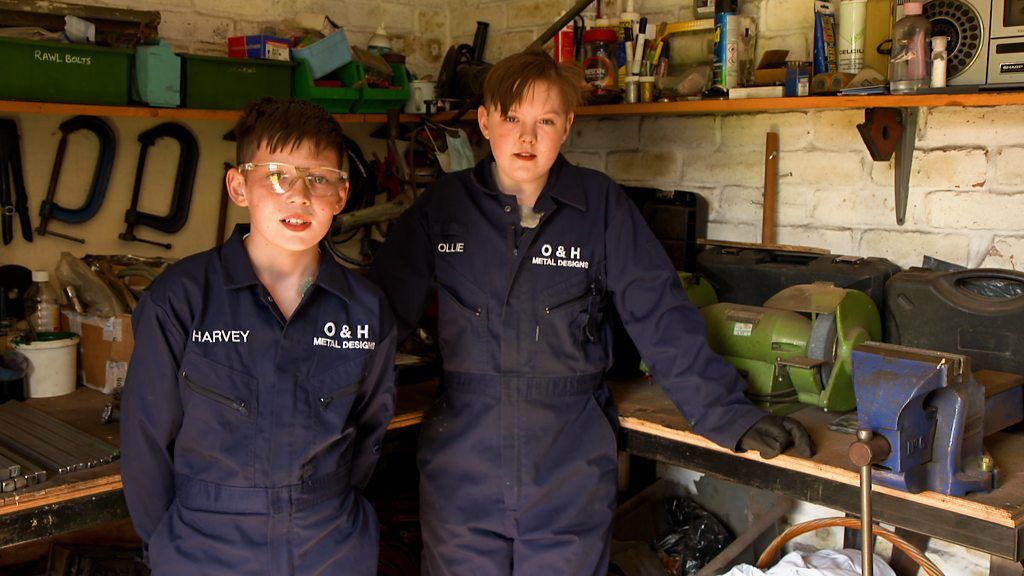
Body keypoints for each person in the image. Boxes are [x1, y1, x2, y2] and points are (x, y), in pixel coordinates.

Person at [369, 50, 814, 575]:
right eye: (511, 118)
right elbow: (377, 317)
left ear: (567, 126)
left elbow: (661, 315)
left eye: (545, 121)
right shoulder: (443, 208)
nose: (527, 137)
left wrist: (729, 415)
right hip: (463, 458)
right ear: (485, 122)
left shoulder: (600, 206)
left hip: (568, 459)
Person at [121, 98, 396, 575]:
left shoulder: (365, 311)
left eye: (319, 178)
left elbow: (370, 432)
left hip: (330, 545)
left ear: (341, 195)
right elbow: (145, 441)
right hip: (204, 547)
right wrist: (166, 548)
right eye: (277, 175)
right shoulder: (181, 300)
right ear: (238, 186)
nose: (299, 195)